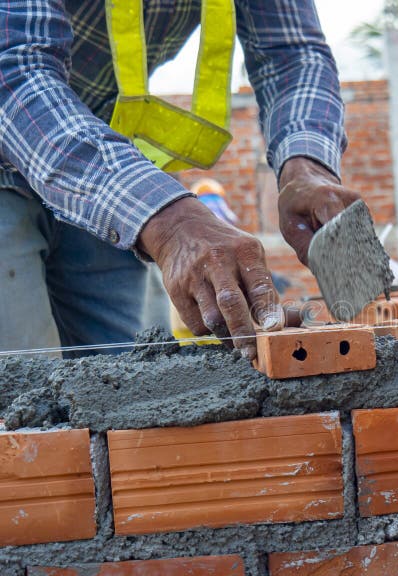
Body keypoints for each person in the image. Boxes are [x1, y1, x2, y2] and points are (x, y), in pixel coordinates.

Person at [0, 1, 360, 360]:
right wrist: (171, 223)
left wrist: (306, 165)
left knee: (134, 379)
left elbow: (291, 54)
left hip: (99, 164)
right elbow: (12, 72)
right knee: (23, 386)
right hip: (14, 155)